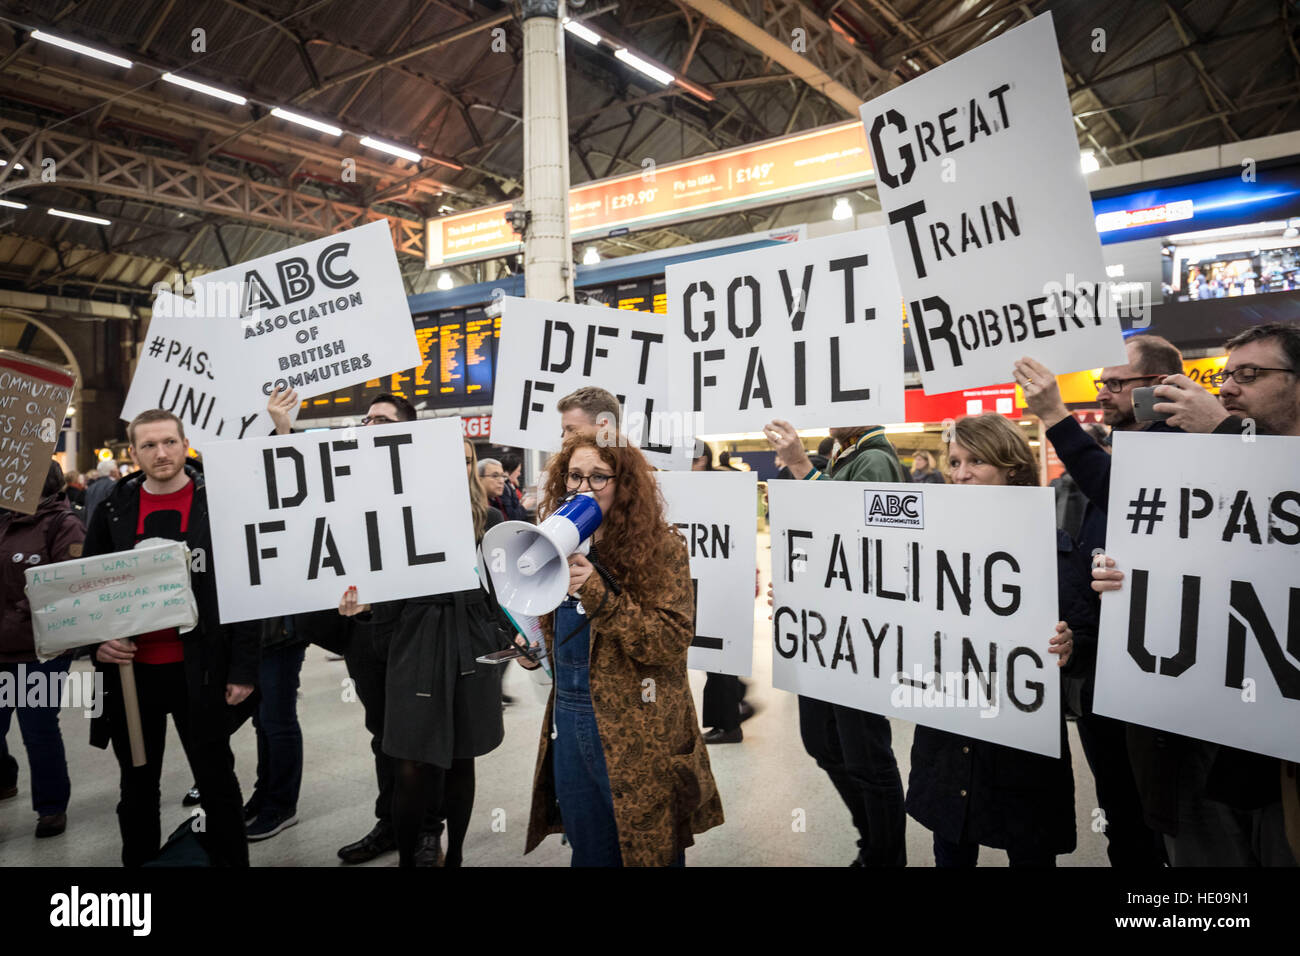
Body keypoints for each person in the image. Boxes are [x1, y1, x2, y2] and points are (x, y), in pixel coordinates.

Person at [516, 430, 723, 866]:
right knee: (590, 849)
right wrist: (532, 644)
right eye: (574, 477)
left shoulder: (662, 548)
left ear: (624, 484)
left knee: (648, 850)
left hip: (639, 723)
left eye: (598, 477)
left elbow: (668, 641)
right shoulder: (556, 542)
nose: (582, 488)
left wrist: (598, 591)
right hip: (569, 717)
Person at [1016, 336, 1181, 867]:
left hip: (1156, 676)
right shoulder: (1120, 461)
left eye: (1115, 383)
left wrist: (1055, 415)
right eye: (1100, 384)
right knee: (1121, 812)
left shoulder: (1181, 450)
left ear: (1156, 387)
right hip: (1097, 667)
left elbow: (1120, 494)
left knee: (1162, 819)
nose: (1104, 394)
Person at [266, 389, 444, 865]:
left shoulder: (426, 479)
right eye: (365, 420)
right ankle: (392, 822)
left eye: (382, 420)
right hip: (364, 630)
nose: (370, 426)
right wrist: (285, 429)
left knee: (419, 736)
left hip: (415, 632)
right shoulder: (345, 479)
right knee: (383, 733)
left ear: (406, 431)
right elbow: (302, 484)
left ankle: (427, 831)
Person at [85, 409, 259, 867]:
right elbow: (87, 590)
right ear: (134, 452)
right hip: (131, 676)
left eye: (169, 442)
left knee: (217, 781)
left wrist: (242, 669)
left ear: (185, 444)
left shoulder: (217, 505)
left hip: (200, 671)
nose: (160, 453)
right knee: (138, 786)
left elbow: (243, 589)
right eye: (148, 445)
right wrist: (97, 643)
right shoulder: (111, 512)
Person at [904, 414, 1078, 866]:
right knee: (952, 841)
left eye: (976, 461)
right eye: (955, 461)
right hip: (949, 724)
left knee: (1028, 846)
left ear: (1012, 468)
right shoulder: (931, 541)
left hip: (1019, 735)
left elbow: (1084, 627)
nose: (960, 474)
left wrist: (1072, 641)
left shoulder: (1050, 545)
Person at [340, 438, 511, 867]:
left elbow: (499, 593)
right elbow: (384, 591)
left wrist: (508, 639)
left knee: (460, 759)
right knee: (411, 762)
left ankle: (454, 857)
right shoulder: (400, 519)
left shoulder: (487, 518)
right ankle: (408, 857)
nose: (458, 468)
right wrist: (366, 612)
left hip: (470, 644)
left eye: (466, 461)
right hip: (416, 642)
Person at [764, 420, 909, 866]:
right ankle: (871, 840)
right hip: (824, 629)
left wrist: (801, 465)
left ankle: (883, 855)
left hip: (857, 632)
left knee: (866, 754)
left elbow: (857, 531)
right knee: (823, 741)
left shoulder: (874, 458)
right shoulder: (845, 453)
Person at [0, 461, 85, 838]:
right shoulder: (3, 521)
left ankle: (51, 808)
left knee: (38, 729)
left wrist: (9, 622)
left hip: (42, 651)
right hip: (1, 649)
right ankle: (5, 777)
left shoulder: (63, 524)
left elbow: (61, 587)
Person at [691, 442, 753, 744]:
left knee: (717, 658)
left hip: (719, 583)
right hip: (705, 582)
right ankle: (734, 704)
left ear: (701, 460)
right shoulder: (707, 485)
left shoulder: (717, 488)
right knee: (712, 656)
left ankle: (728, 725)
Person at [479, 457, 528, 521]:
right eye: (495, 476)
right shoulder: (474, 509)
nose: (501, 481)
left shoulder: (496, 500)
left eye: (503, 476)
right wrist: (524, 507)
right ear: (478, 479)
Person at [82, 458, 119, 526]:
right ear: (112, 472)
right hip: (105, 527)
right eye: (117, 469)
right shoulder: (113, 485)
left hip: (90, 525)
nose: (118, 471)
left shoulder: (91, 487)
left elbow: (86, 509)